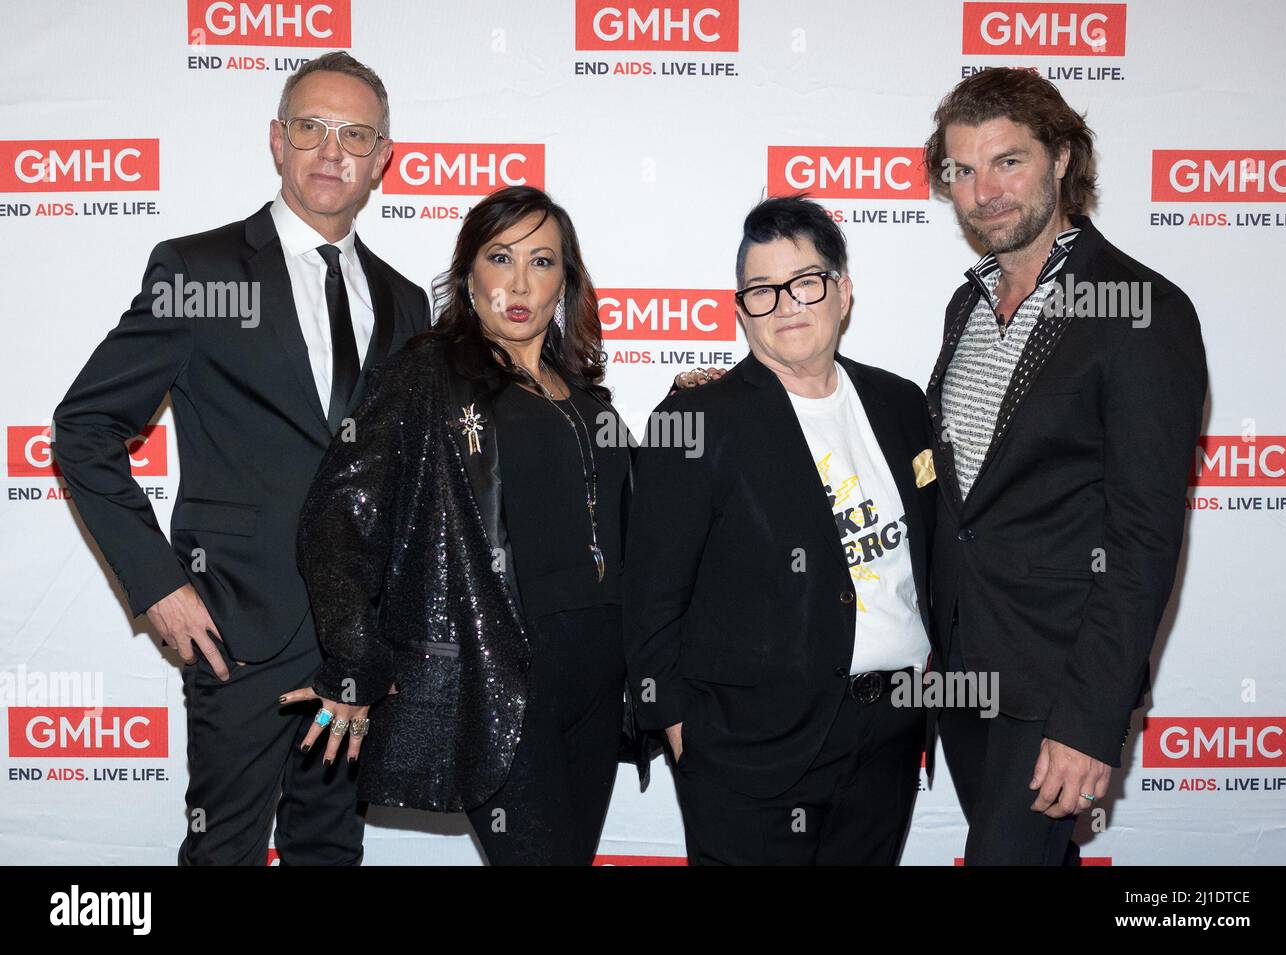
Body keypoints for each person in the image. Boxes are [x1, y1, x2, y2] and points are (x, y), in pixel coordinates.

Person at [51, 51, 430, 865]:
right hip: (236, 629)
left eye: (355, 135)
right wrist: (158, 585)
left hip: (355, 642)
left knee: (329, 848)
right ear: (276, 139)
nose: (332, 151)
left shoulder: (407, 301)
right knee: (221, 850)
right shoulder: (201, 269)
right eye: (311, 128)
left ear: (382, 161)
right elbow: (83, 429)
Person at [290, 185, 656, 865]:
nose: (519, 281)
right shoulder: (430, 375)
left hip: (601, 680)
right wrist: (355, 658)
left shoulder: (585, 396)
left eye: (542, 261)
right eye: (500, 257)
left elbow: (632, 524)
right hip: (506, 679)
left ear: (565, 284)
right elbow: (335, 517)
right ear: (468, 275)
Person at [921, 68, 1208, 864]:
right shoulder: (967, 305)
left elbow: (1144, 538)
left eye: (1007, 161)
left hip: (1059, 684)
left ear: (1062, 158)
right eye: (962, 170)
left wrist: (1089, 720)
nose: (985, 190)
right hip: (966, 676)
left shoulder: (1141, 310)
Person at [623, 194, 938, 865]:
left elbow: (937, 556)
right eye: (762, 290)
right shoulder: (697, 423)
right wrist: (682, 730)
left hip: (887, 737)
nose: (787, 304)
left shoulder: (901, 403)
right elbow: (651, 597)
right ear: (742, 310)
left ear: (842, 292)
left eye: (806, 282)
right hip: (748, 752)